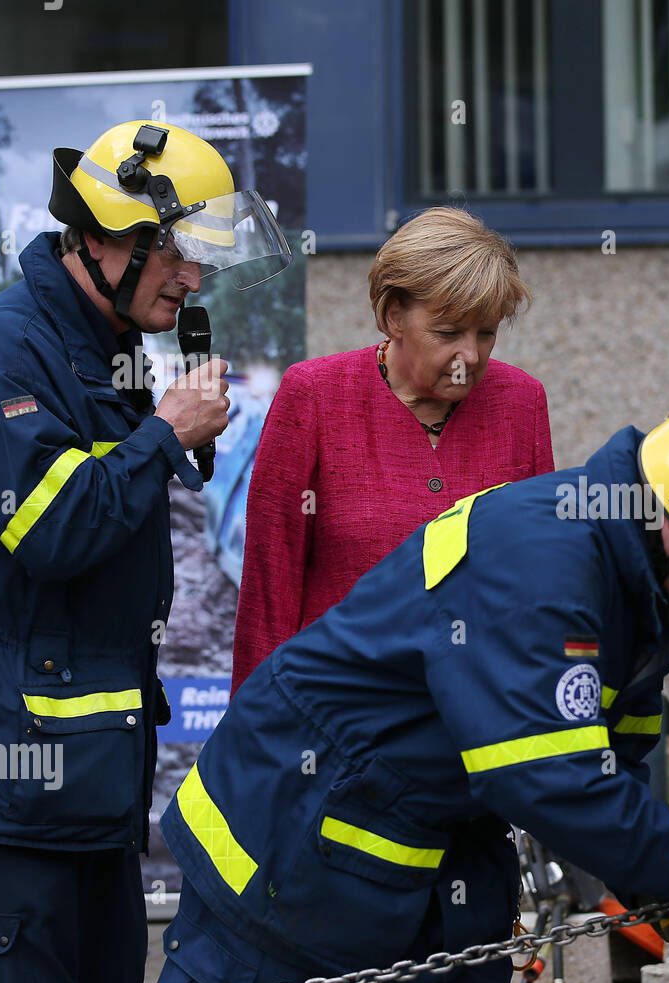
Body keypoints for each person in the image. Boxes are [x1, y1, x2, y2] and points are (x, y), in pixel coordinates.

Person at [152, 390, 669, 983]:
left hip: (422, 849)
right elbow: (551, 780)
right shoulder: (545, 565)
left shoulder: (637, 591)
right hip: (283, 836)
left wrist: (658, 877)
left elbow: (610, 765)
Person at [0, 120, 292, 983]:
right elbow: (51, 530)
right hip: (12, 800)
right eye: (178, 255)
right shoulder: (0, 347)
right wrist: (163, 435)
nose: (193, 279)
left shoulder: (95, 344)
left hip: (94, 795)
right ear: (105, 239)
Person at [231, 207, 553, 695]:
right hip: (341, 718)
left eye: (486, 333)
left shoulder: (520, 401)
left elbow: (539, 576)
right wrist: (253, 739)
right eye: (448, 333)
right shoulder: (315, 394)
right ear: (393, 315)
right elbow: (270, 584)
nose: (470, 355)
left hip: (480, 716)